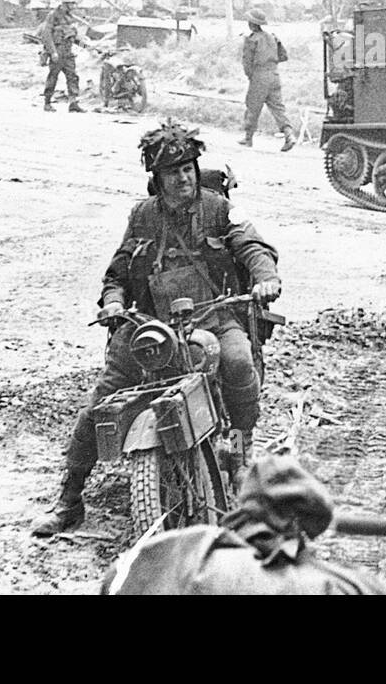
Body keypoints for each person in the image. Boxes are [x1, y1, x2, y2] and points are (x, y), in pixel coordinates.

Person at [31, 121, 281, 537]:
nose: (183, 178)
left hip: (214, 316)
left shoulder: (218, 208)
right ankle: (69, 499)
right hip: (152, 327)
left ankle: (240, 447)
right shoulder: (142, 217)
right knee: (102, 400)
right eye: (172, 172)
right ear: (157, 178)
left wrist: (265, 278)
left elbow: (252, 246)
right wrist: (113, 303)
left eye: (188, 168)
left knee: (238, 361)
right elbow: (118, 273)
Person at [101, 455, 386, 595]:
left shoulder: (162, 559)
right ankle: (71, 493)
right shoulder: (341, 584)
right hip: (164, 357)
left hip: (220, 395)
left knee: (237, 371)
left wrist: (235, 452)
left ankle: (238, 457)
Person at [240, 8, 296, 151]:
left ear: (251, 23)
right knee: (278, 108)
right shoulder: (273, 37)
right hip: (274, 75)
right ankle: (289, 135)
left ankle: (248, 138)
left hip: (260, 76)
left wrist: (252, 75)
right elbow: (284, 56)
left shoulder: (251, 40)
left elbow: (247, 63)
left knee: (253, 107)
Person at [41, 0, 85, 112]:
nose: (74, 5)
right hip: (57, 50)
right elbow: (46, 35)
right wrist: (53, 52)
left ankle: (73, 103)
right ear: (66, 4)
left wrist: (85, 45)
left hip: (68, 51)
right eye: (72, 3)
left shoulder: (69, 17)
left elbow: (72, 36)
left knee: (73, 76)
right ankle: (47, 102)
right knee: (53, 77)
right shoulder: (53, 15)